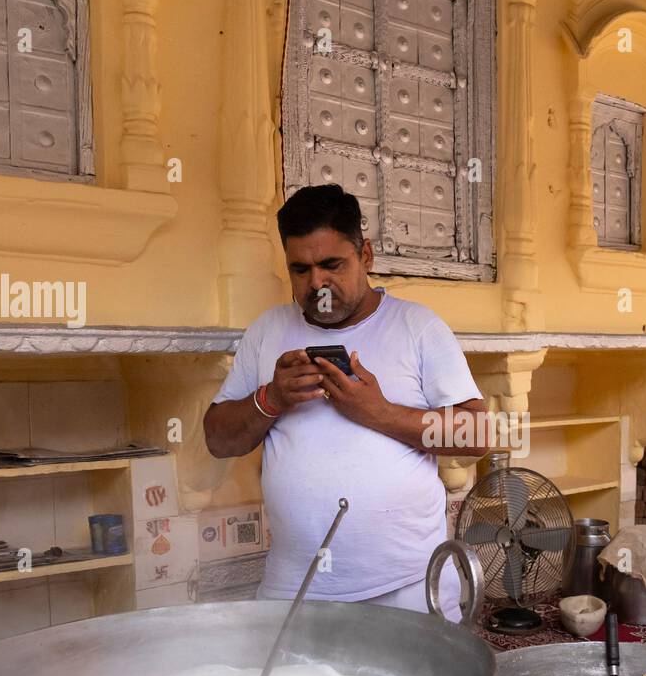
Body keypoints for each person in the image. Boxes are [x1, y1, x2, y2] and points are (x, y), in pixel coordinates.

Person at [203, 185, 488, 617]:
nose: (316, 282)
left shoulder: (417, 327)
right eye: (300, 269)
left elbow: (477, 434)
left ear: (366, 256)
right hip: (293, 590)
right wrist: (271, 398)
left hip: (408, 587)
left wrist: (379, 412)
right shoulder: (267, 331)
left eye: (331, 264)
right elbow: (218, 440)